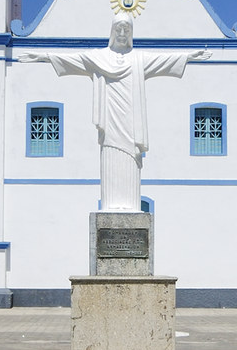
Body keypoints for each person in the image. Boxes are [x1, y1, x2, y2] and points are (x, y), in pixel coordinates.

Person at [19, 15, 209, 211]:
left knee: (131, 159)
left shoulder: (138, 59)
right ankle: (111, 204)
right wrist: (44, 57)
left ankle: (131, 206)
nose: (122, 33)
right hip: (110, 121)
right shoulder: (98, 58)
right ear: (111, 31)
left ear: (131, 33)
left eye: (126, 29)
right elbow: (72, 59)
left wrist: (188, 56)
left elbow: (165, 60)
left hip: (131, 122)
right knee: (110, 156)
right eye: (118, 28)